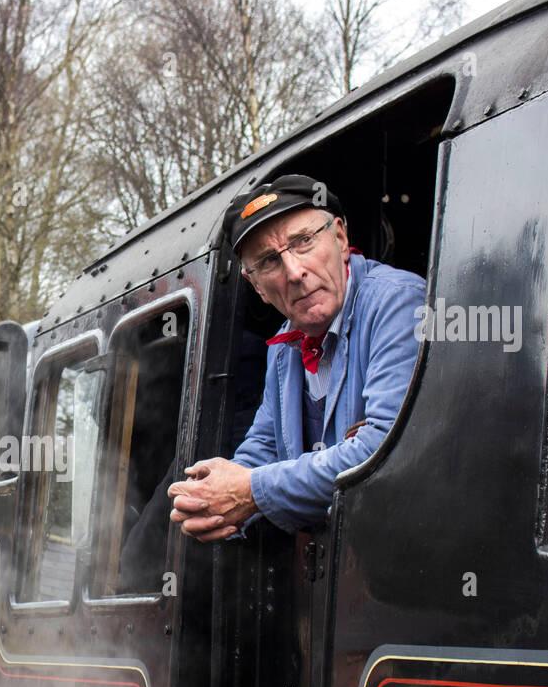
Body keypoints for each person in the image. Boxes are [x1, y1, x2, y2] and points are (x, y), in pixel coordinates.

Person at [169, 174, 425, 541]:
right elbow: (264, 448)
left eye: (303, 242)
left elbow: (382, 451)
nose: (294, 272)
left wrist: (250, 492)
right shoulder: (280, 349)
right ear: (256, 286)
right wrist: (207, 501)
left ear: (339, 237)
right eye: (270, 261)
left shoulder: (397, 304)